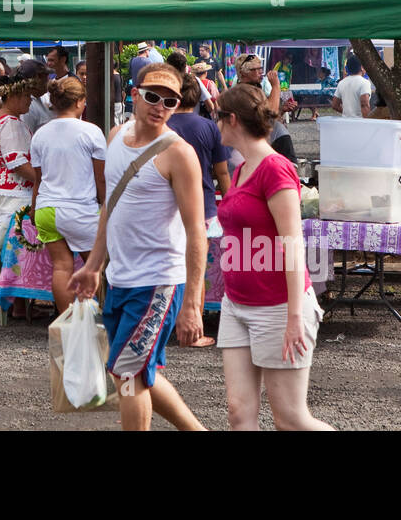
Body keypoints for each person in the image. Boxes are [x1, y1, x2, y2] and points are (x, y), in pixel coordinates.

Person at [68, 62, 208, 432]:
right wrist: (94, 265)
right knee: (130, 370)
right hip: (120, 278)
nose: (159, 105)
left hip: (158, 281)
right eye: (152, 96)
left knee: (128, 373)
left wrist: (192, 303)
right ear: (133, 94)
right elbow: (109, 207)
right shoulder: (115, 136)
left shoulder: (179, 153)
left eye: (170, 101)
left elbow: (197, 231)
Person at [214, 84, 333, 431]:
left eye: (217, 116)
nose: (214, 123)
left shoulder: (275, 168)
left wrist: (295, 317)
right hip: (237, 304)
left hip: (278, 306)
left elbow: (293, 245)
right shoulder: (240, 169)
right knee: (238, 412)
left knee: (291, 419)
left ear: (232, 119)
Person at [30, 76, 106, 313]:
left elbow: (38, 179)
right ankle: (97, 318)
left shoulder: (40, 134)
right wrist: (106, 207)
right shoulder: (91, 132)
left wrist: (34, 209)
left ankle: (68, 324)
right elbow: (100, 178)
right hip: (80, 210)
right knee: (96, 267)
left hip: (46, 208)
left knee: (61, 267)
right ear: (79, 102)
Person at [0, 76, 39, 318]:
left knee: (4, 247)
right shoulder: (12, 124)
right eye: (27, 96)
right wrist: (42, 181)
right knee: (16, 248)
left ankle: (10, 301)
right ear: (14, 96)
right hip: (15, 194)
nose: (30, 101)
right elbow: (16, 163)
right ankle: (17, 305)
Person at [169, 75, 231, 222]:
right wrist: (229, 209)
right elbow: (222, 173)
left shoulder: (161, 127)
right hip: (204, 206)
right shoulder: (209, 127)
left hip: (169, 210)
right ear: (198, 97)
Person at [17, 59, 53, 135]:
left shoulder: (44, 96)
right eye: (46, 76)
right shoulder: (26, 107)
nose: (48, 79)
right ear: (37, 79)